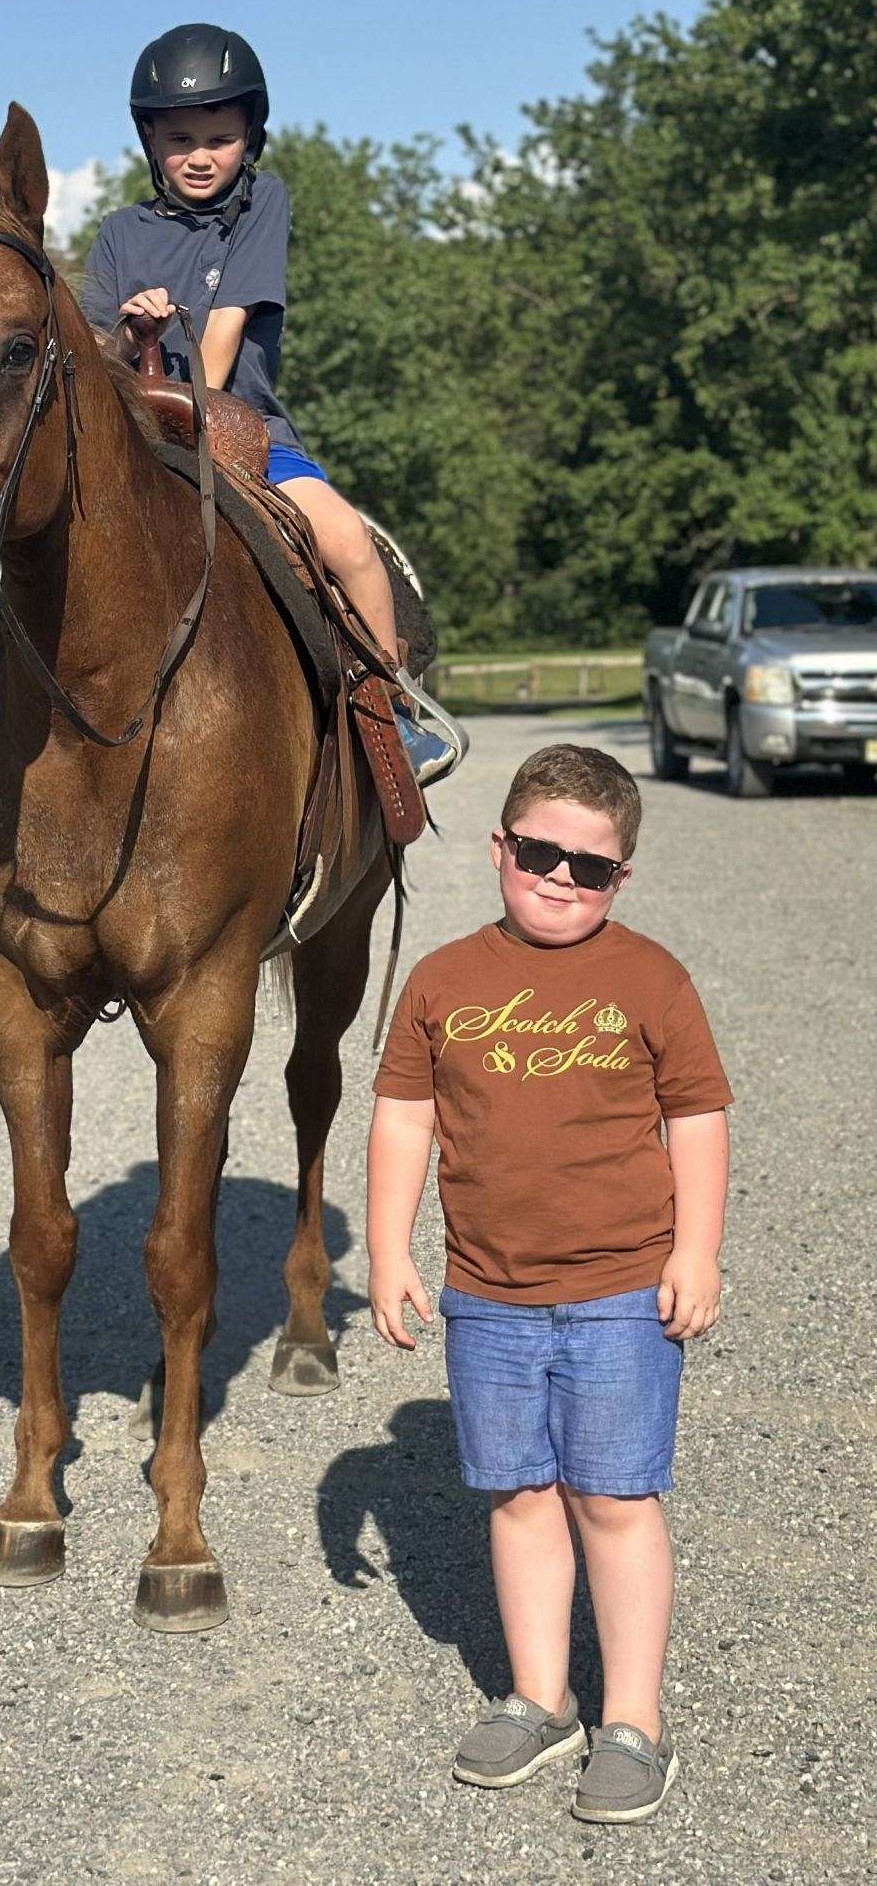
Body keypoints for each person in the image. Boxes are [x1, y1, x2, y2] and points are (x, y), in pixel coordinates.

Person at [367, 743, 732, 1825]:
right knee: (521, 1496)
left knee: (615, 1500)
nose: (561, 879)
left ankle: (634, 1720)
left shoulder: (651, 977)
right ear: (499, 848)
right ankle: (540, 1697)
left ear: (622, 878)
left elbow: (698, 1118)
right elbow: (403, 1118)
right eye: (539, 853)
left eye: (591, 866)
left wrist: (695, 1248)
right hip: (489, 1293)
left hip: (623, 1289)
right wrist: (391, 1250)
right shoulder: (442, 980)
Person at [79, 23, 460, 783]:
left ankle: (393, 707)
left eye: (218, 137)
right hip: (128, 440)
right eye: (180, 136)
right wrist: (128, 329)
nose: (198, 155)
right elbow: (95, 357)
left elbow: (223, 335)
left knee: (347, 541)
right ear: (149, 139)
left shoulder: (261, 206)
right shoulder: (119, 233)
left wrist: (191, 404)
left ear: (249, 135)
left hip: (242, 435)